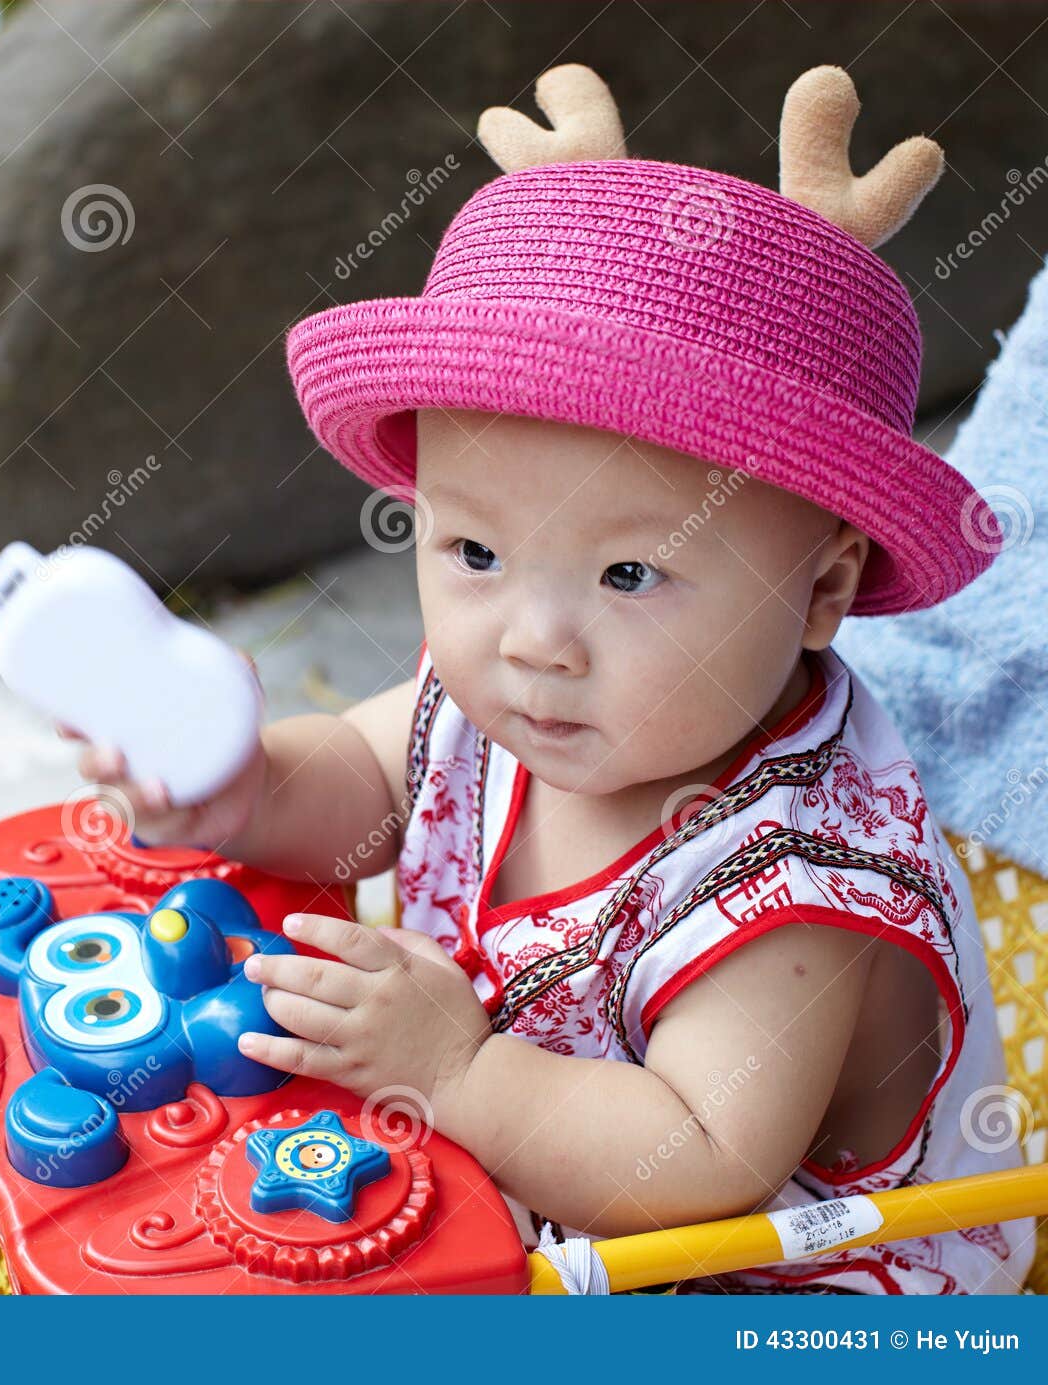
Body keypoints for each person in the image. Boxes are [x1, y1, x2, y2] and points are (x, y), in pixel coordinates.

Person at [63, 63, 1036, 1294]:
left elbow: (700, 1159)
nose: (533, 638)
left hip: (782, 1286)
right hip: (514, 1172)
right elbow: (367, 777)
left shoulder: (798, 880)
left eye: (631, 574)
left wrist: (459, 1073)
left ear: (823, 592)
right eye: (473, 550)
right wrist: (234, 787)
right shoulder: (514, 699)